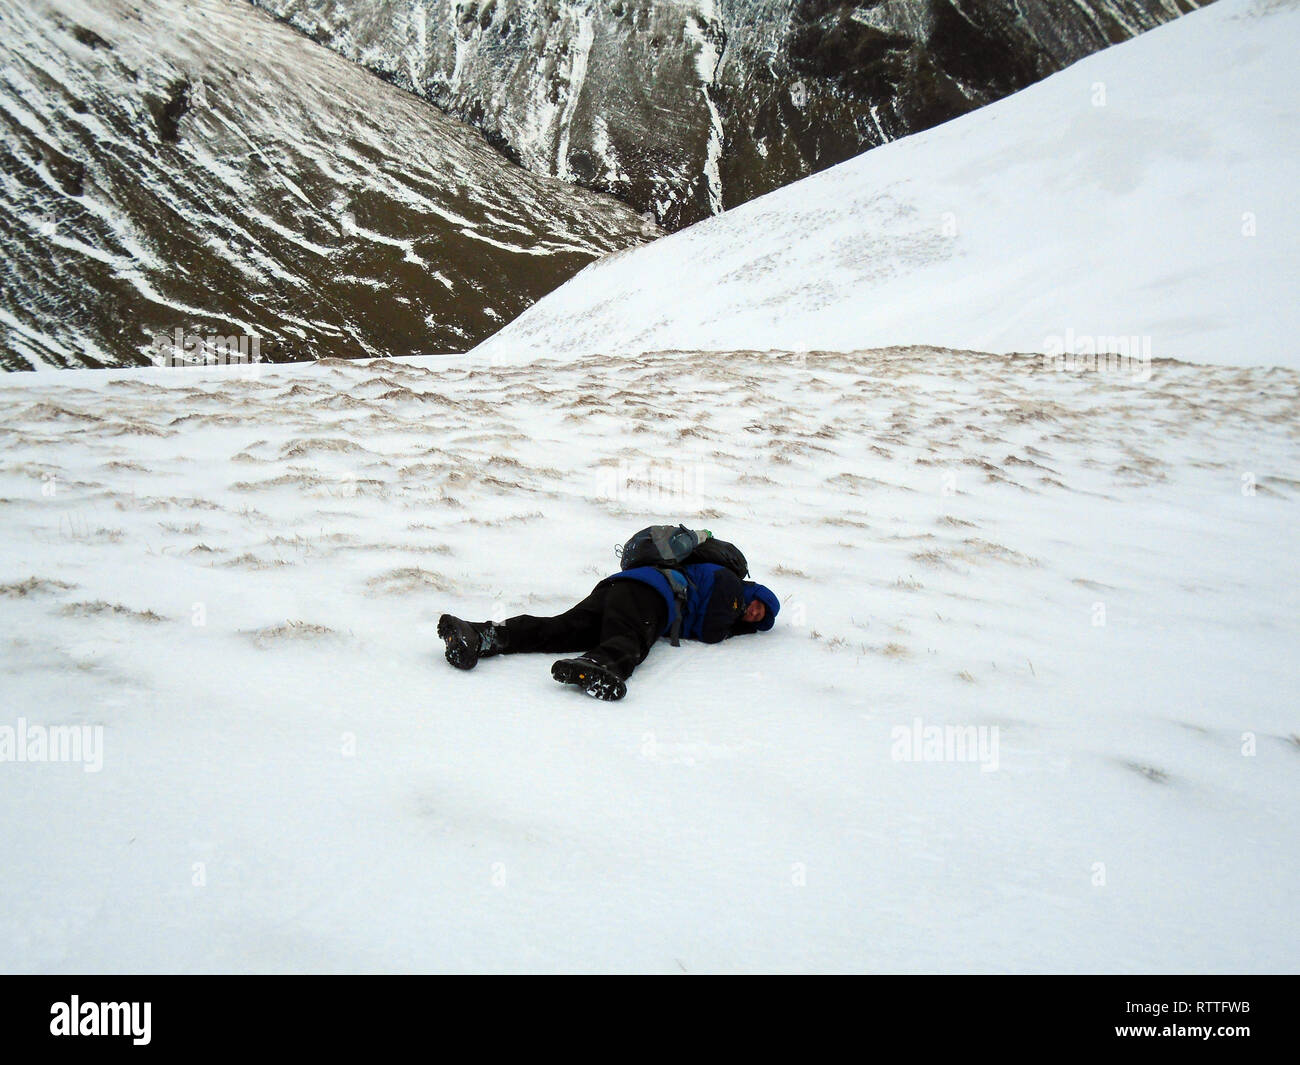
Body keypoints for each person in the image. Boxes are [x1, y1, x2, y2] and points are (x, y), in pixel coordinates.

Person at [438, 562, 780, 701]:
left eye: (757, 618)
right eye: (758, 607)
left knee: (561, 629)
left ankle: (481, 635)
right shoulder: (731, 585)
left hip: (621, 588)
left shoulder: (726, 591)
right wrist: (729, 630)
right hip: (651, 594)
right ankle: (602, 665)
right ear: (755, 594)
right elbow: (709, 630)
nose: (752, 613)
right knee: (634, 637)